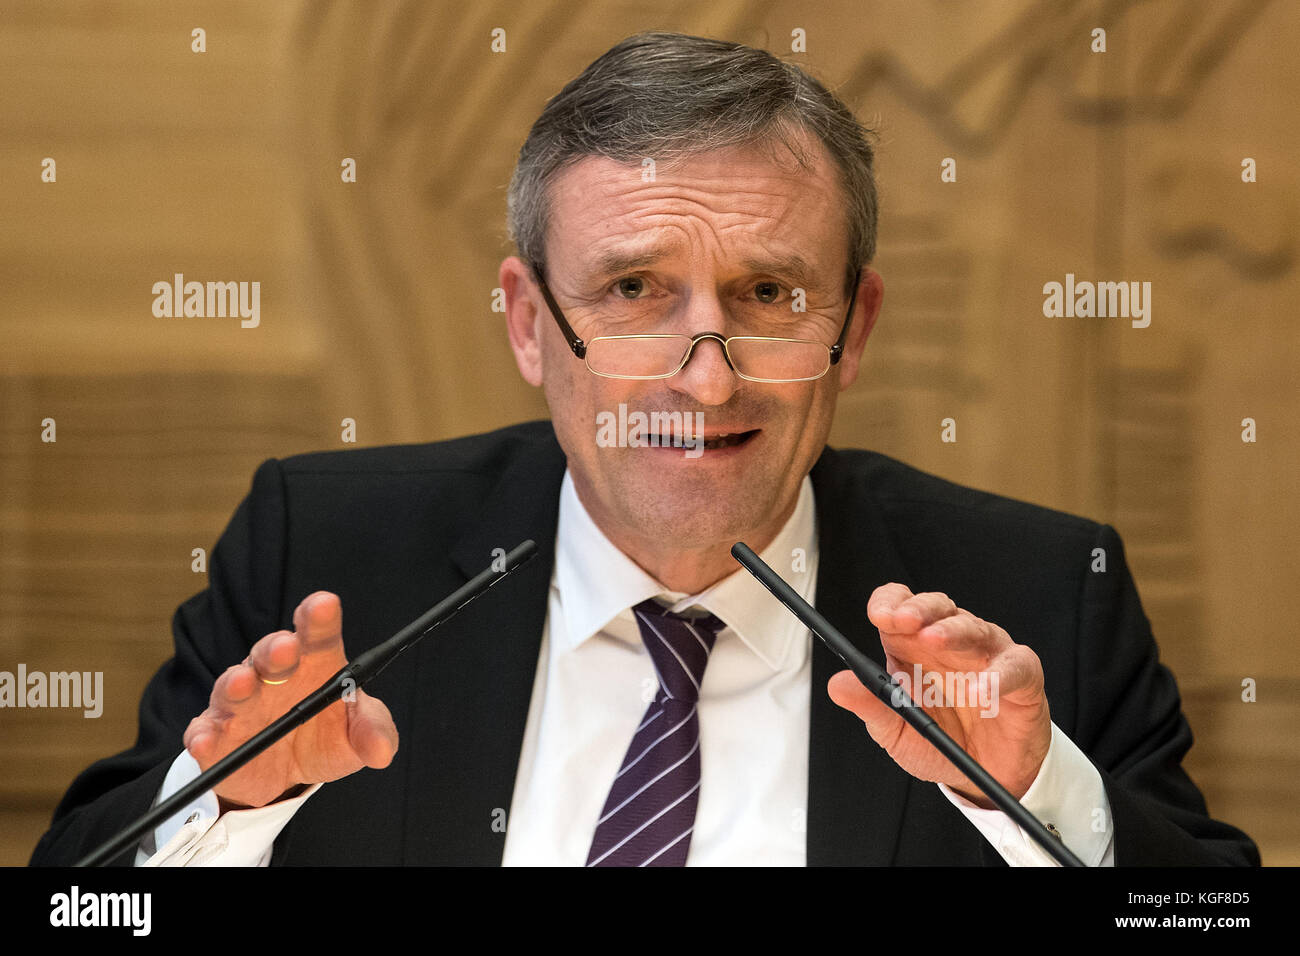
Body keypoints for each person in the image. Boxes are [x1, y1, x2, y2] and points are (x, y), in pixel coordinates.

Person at [31, 31, 1257, 867]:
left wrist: (1035, 794)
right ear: (527, 322)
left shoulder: (1040, 596)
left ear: (854, 326)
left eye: (770, 292)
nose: (705, 373)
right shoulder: (334, 553)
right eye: (631, 290)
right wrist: (236, 811)